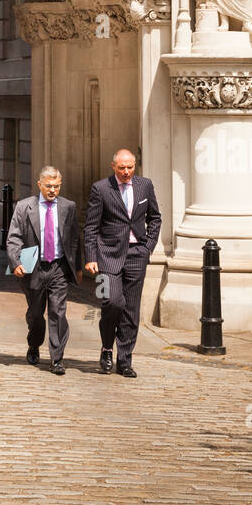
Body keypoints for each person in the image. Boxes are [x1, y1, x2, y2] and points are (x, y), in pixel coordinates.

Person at [83, 149, 161, 379]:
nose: (126, 172)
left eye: (130, 167)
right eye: (122, 168)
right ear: (113, 166)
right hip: (108, 256)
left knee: (131, 310)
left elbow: (155, 218)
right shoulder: (101, 188)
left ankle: (124, 360)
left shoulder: (144, 185)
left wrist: (148, 248)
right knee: (111, 302)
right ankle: (107, 347)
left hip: (137, 254)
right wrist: (90, 257)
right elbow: (91, 226)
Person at [6, 165, 82, 376]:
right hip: (34, 267)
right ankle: (34, 343)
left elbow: (75, 238)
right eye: (48, 186)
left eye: (57, 186)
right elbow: (14, 238)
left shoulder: (68, 207)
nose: (52, 190)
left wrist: (76, 267)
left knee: (58, 312)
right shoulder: (24, 207)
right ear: (39, 184)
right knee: (36, 315)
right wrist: (16, 262)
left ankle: (57, 358)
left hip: (58, 266)